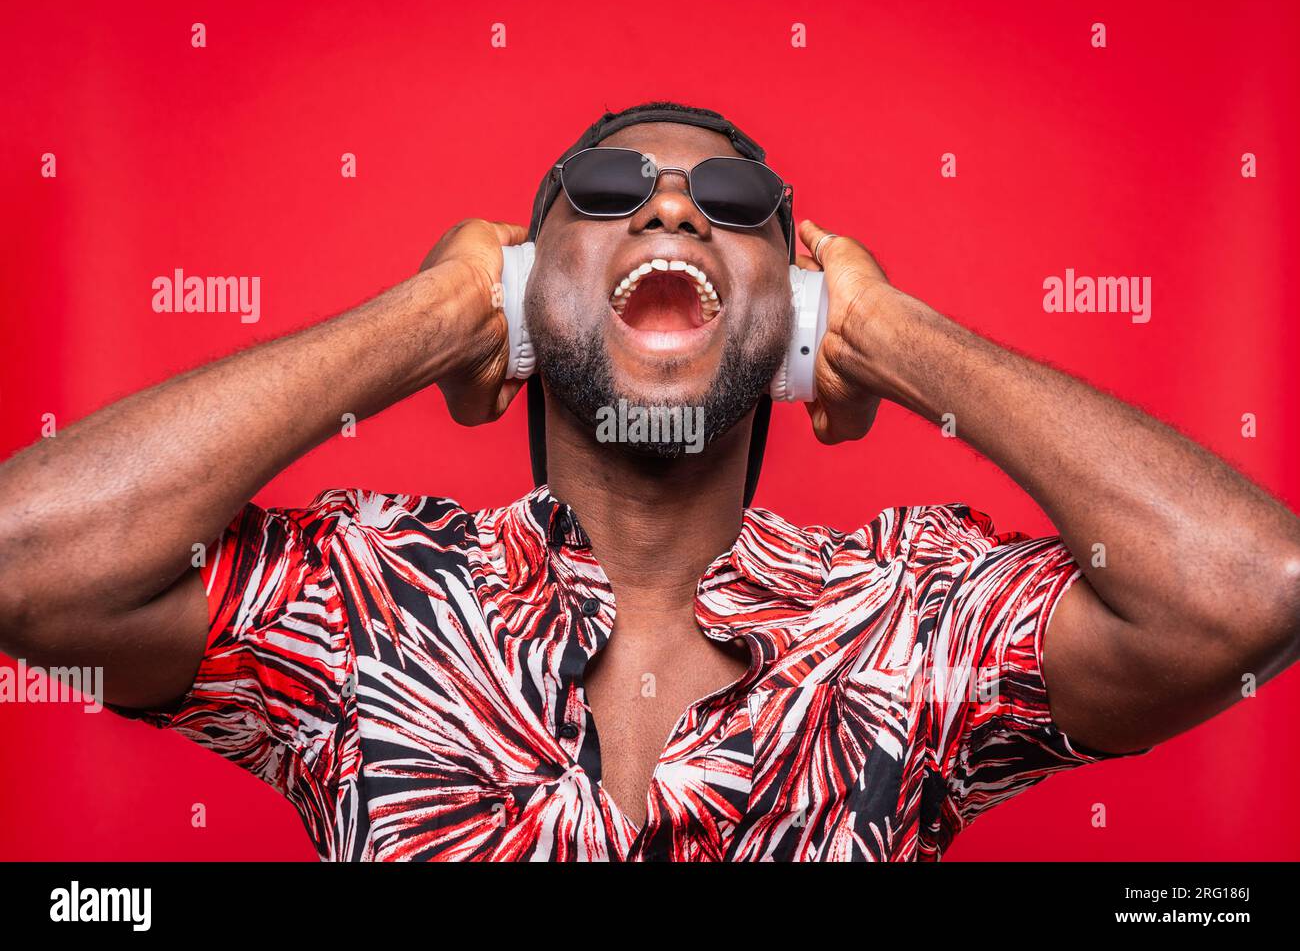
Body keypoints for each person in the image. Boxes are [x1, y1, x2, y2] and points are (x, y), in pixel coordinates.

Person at [1, 101, 1296, 861]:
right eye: (608, 191)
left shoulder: (907, 619)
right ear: (523, 295)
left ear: (793, 322)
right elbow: (29, 562)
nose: (672, 212)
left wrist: (896, 338)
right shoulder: (362, 600)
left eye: (736, 204)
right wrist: (429, 314)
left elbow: (1247, 592)